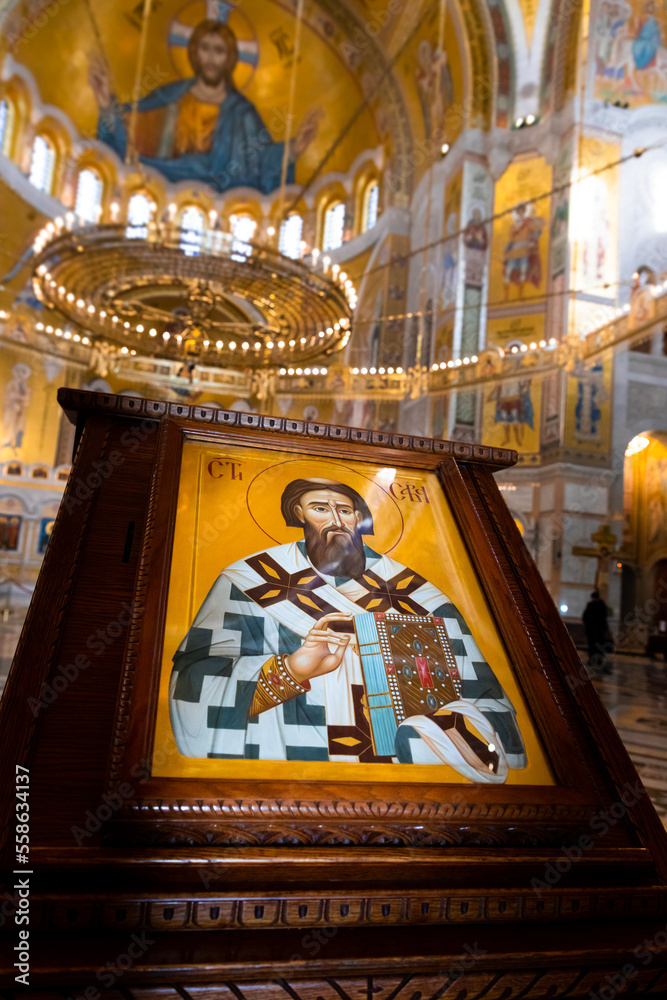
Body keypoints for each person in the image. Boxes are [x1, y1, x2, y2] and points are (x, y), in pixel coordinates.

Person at [169, 477, 528, 782]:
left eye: (344, 510)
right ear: (299, 515)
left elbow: (492, 712)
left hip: (404, 789)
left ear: (359, 518)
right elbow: (194, 685)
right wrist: (292, 670)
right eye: (320, 509)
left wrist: (433, 720)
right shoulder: (249, 580)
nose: (335, 520)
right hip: (290, 783)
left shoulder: (421, 597)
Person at [88, 20, 321, 194]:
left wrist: (293, 150)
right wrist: (106, 103)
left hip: (220, 206)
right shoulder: (171, 95)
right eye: (205, 49)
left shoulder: (242, 112)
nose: (211, 59)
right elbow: (129, 133)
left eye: (218, 51)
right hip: (155, 191)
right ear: (195, 53)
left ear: (229, 58)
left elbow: (261, 161)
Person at [583, 590, 612, 674]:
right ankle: (599, 660)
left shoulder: (590, 605)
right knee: (600, 645)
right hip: (600, 630)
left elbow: (585, 617)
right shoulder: (602, 606)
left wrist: (587, 625)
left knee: (592, 645)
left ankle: (592, 660)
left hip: (591, 630)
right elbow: (604, 618)